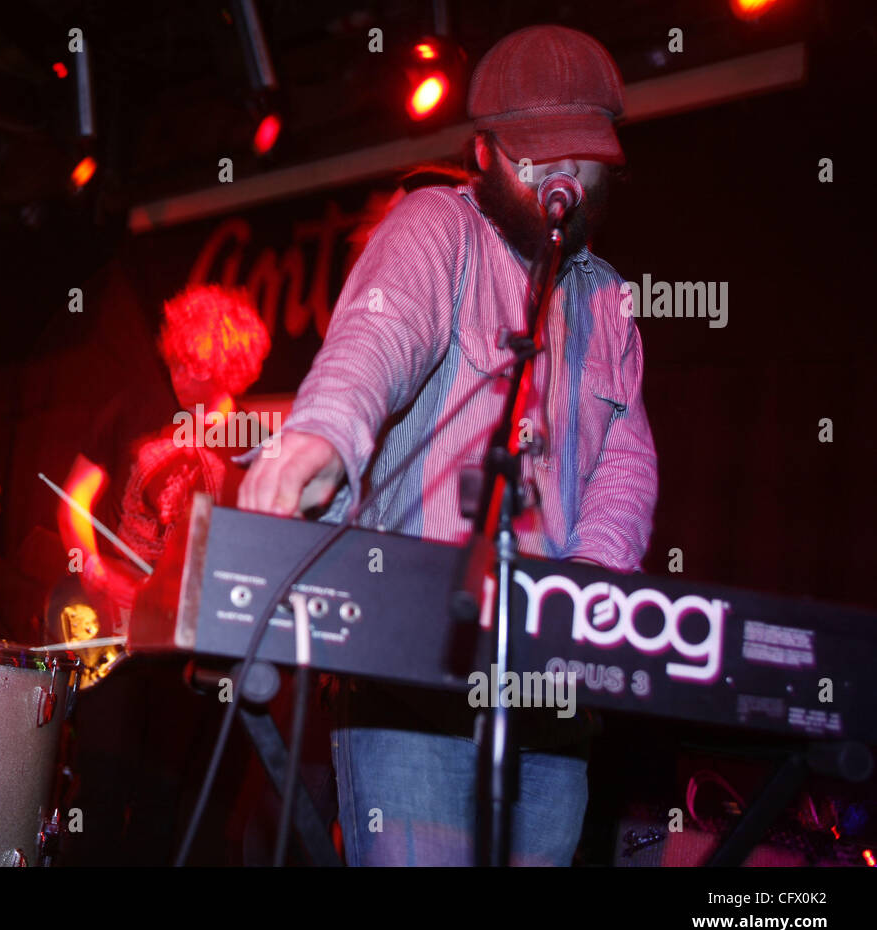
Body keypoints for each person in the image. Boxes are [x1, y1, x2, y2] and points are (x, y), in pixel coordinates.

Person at [238, 25, 658, 865]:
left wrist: (586, 595)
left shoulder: (609, 297)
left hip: (553, 696)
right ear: (482, 152)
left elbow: (626, 457)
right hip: (415, 689)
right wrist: (318, 440)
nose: (560, 184)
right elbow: (373, 344)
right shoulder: (436, 228)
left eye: (579, 161)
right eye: (535, 160)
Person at [52, 284, 272, 864]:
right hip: (113, 636)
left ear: (227, 367)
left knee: (161, 800)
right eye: (173, 358)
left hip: (188, 653)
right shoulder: (135, 406)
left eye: (192, 364)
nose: (177, 373)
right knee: (97, 787)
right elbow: (74, 496)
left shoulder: (257, 447)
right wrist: (91, 564)